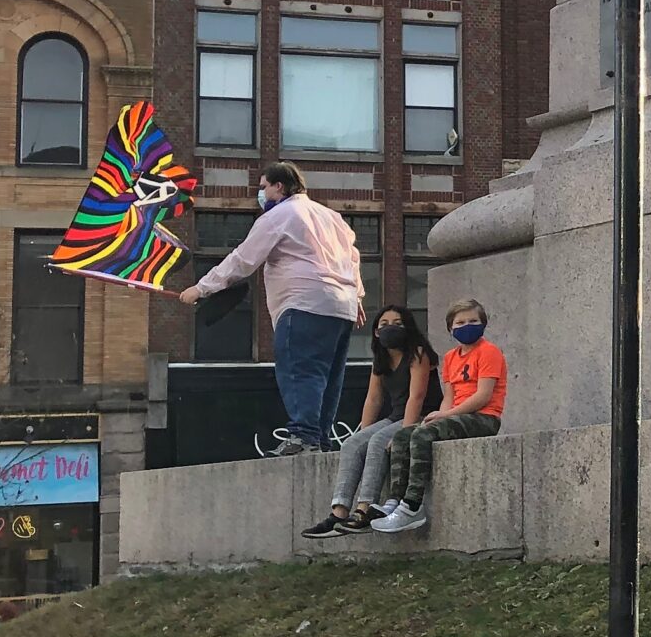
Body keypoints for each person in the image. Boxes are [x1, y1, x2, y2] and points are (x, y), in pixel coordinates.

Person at [178, 162, 365, 457]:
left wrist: (201, 288)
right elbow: (352, 257)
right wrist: (358, 296)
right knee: (329, 377)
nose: (260, 194)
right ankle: (321, 439)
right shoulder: (332, 217)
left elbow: (243, 259)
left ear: (280, 186)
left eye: (264, 187)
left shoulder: (281, 214)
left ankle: (303, 436)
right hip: (341, 306)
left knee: (299, 370)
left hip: (303, 301)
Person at [370, 299, 508, 535]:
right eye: (460, 322)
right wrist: (440, 416)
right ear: (450, 329)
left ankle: (412, 506)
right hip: (456, 415)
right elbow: (449, 396)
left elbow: (483, 396)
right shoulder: (452, 358)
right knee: (405, 434)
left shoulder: (489, 352)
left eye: (473, 321)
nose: (467, 326)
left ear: (483, 324)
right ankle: (394, 501)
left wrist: (446, 415)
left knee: (423, 435)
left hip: (483, 418)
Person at [309, 305, 441, 538]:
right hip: (395, 415)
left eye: (398, 323)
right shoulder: (380, 360)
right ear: (376, 332)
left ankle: (364, 510)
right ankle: (339, 512)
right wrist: (364, 434)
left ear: (408, 327)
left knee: (379, 440)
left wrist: (402, 433)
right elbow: (373, 399)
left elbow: (417, 396)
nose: (391, 328)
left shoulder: (418, 353)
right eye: (384, 324)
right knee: (352, 444)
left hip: (422, 415)